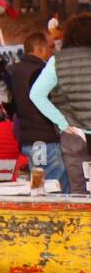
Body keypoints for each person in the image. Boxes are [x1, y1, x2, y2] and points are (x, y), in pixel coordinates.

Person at [27, 13, 91, 194]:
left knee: (78, 188)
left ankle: (81, 222)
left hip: (74, 134)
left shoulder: (58, 61)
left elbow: (36, 94)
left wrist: (62, 122)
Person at [11, 31, 65, 192]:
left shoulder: (16, 70)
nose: (53, 51)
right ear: (39, 49)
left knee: (39, 187)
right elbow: (48, 102)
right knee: (54, 187)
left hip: (29, 138)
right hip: (45, 137)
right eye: (51, 46)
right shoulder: (39, 71)